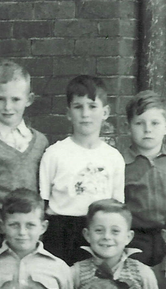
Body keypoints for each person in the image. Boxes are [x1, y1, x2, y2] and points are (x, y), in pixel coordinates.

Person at [38, 75, 125, 265]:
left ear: (105, 111)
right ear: (69, 112)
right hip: (60, 233)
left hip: (99, 233)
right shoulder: (54, 154)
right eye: (78, 107)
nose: (85, 114)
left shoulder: (114, 158)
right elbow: (43, 203)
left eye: (92, 106)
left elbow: (117, 207)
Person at [0, 60, 48, 259]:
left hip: (25, 232)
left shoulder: (40, 142)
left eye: (15, 99)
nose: (8, 107)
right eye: (1, 99)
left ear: (29, 99)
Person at [122, 90, 166, 267]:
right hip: (134, 241)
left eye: (155, 123)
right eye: (139, 123)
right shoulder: (119, 164)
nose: (147, 129)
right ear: (128, 126)